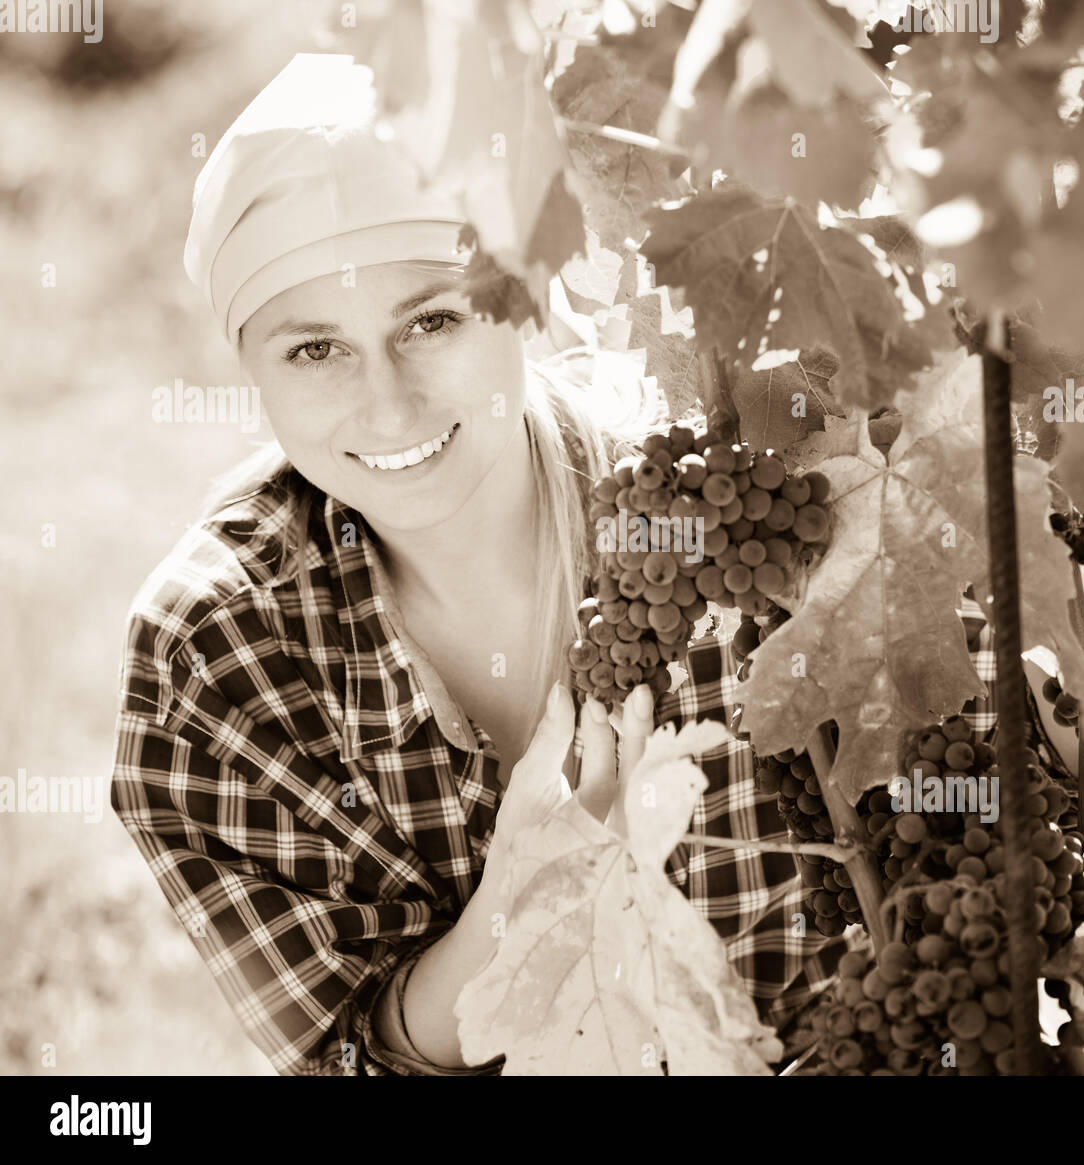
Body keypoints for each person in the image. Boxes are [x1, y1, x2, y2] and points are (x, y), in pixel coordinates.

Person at [109, 53, 848, 1076]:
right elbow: (346, 1060)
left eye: (434, 319)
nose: (389, 405)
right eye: (314, 349)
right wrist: (518, 888)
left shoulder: (738, 512)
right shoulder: (217, 652)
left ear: (525, 301)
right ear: (247, 366)